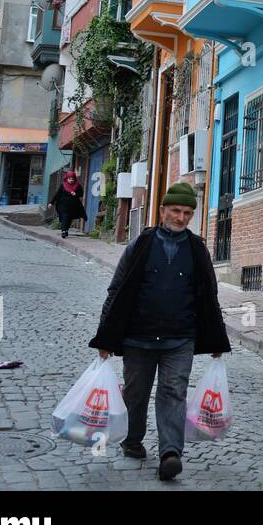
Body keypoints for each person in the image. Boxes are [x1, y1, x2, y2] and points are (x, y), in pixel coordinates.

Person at [88, 182, 229, 481]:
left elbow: (209, 294)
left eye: (187, 213)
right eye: (176, 211)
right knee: (136, 394)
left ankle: (170, 453)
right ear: (163, 210)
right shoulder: (141, 244)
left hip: (180, 338)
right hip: (138, 336)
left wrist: (216, 337)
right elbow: (117, 290)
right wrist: (106, 336)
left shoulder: (197, 250)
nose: (180, 217)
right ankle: (132, 438)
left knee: (173, 392)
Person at [51, 170, 86, 238]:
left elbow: (81, 194)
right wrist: (51, 202)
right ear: (67, 178)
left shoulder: (78, 186)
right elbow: (57, 194)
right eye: (70, 179)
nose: (71, 180)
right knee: (65, 217)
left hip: (72, 206)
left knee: (69, 218)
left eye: (73, 179)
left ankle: (66, 230)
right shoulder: (63, 185)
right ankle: (63, 231)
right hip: (62, 205)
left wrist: (76, 194)